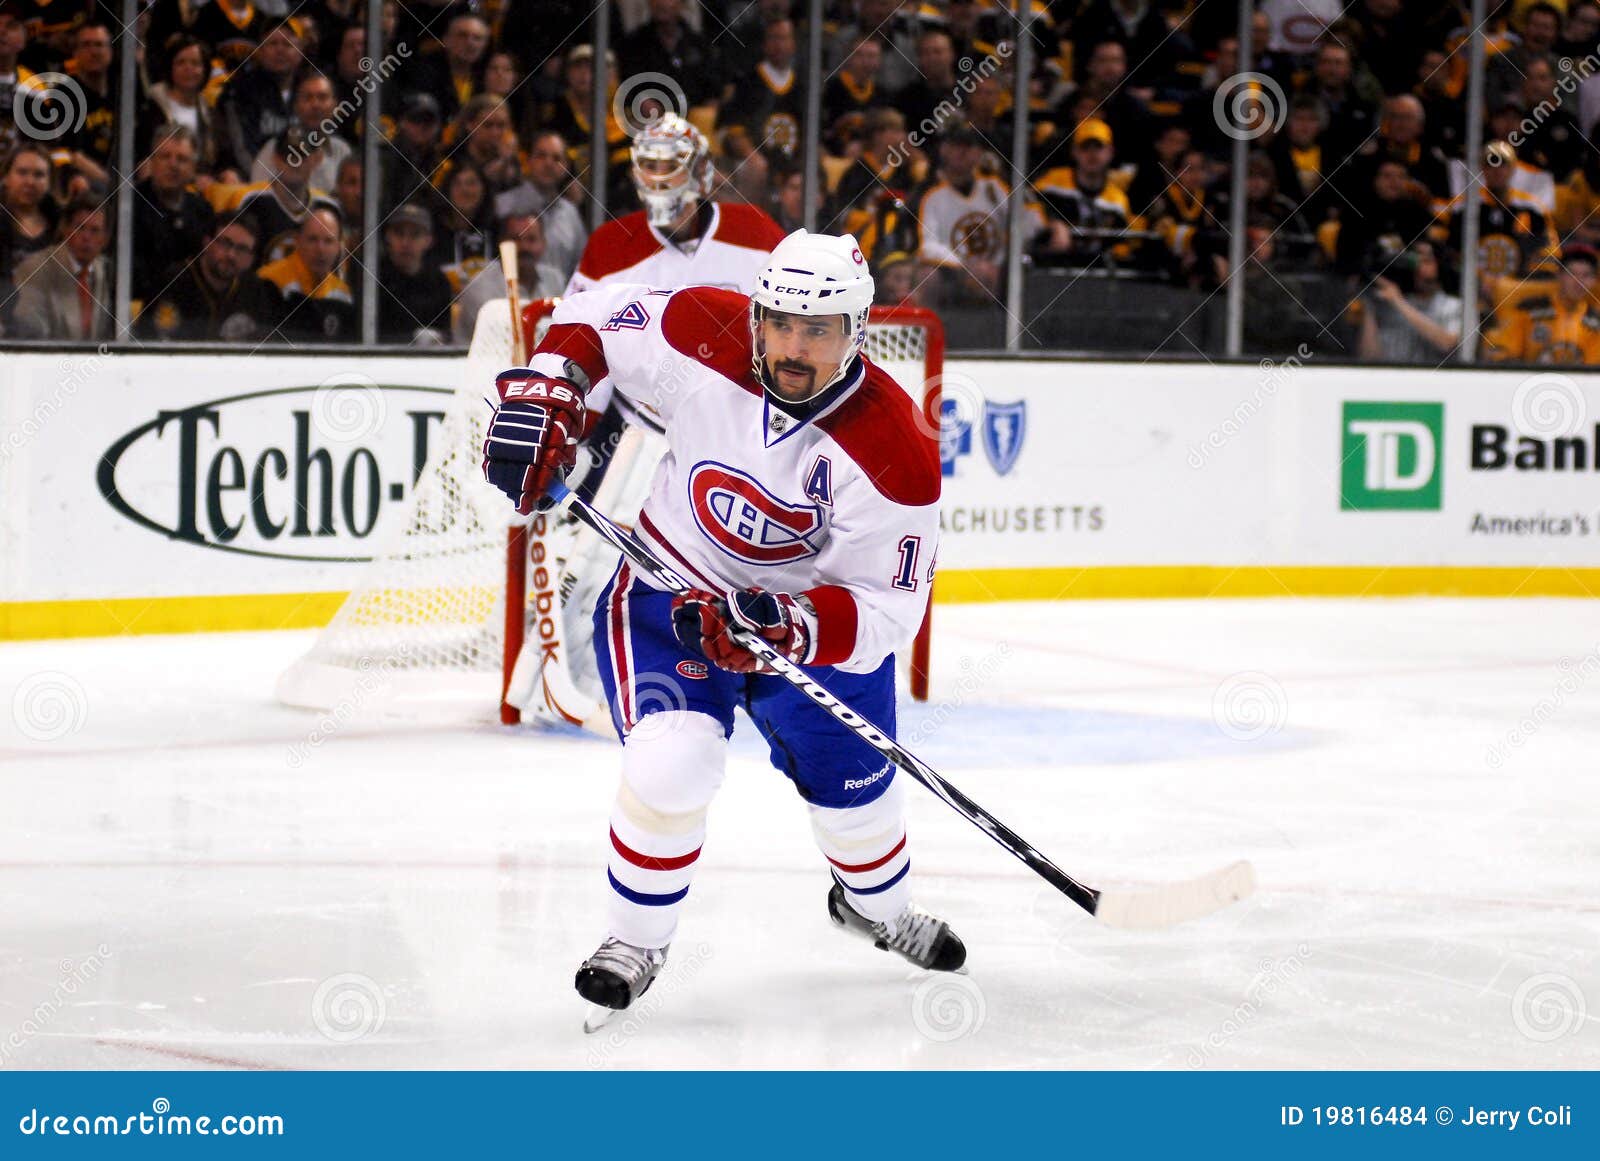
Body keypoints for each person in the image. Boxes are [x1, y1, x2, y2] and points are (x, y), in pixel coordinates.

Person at [480, 229, 963, 1016]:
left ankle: (877, 911)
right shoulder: (704, 328)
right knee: (673, 766)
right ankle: (634, 939)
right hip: (671, 601)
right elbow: (597, 317)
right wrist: (553, 390)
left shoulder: (897, 447)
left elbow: (887, 606)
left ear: (858, 331)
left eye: (819, 329)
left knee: (863, 822)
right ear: (758, 314)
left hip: (810, 640)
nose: (793, 347)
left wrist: (791, 628)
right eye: (779, 323)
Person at [520, 112, 785, 731]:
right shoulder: (612, 245)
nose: (659, 180)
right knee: (589, 554)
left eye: (671, 165)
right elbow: (579, 331)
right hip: (632, 425)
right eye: (648, 166)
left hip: (727, 429)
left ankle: (749, 667)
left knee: (737, 553)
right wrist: (570, 423)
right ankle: (570, 671)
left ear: (702, 172)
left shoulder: (757, 235)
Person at [137, 211, 281, 342]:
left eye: (242, 249)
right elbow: (149, 342)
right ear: (207, 243)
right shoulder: (170, 282)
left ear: (251, 259)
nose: (231, 255)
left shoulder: (255, 290)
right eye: (225, 243)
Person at [131, 124, 216, 302]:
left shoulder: (203, 211)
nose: (173, 165)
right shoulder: (129, 207)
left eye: (182, 159)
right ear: (152, 163)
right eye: (165, 157)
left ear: (193, 167)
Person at [9, 199, 111, 339]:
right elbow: (31, 333)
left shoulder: (108, 272)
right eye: (80, 228)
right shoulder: (34, 269)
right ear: (66, 231)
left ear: (105, 239)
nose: (86, 237)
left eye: (95, 231)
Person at [1484, 244, 1600, 364]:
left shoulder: (1596, 324)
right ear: (1559, 275)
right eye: (1572, 274)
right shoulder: (1527, 312)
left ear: (1594, 281)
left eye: (1586, 275)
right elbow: (1500, 354)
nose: (1578, 282)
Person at [257, 203, 355, 342]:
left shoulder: (343, 294)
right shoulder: (269, 281)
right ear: (297, 241)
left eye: (328, 241)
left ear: (339, 247)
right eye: (312, 239)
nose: (320, 249)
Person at [1355, 241, 1463, 363]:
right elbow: (1369, 357)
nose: (1418, 266)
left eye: (1426, 261)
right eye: (1414, 260)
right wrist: (1369, 306)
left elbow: (1447, 343)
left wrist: (1398, 301)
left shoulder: (1454, 306)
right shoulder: (1390, 304)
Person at [377, 201, 452, 344]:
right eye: (399, 234)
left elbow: (445, 334)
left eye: (415, 235)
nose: (405, 243)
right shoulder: (374, 280)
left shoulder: (439, 282)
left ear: (428, 240)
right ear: (388, 237)